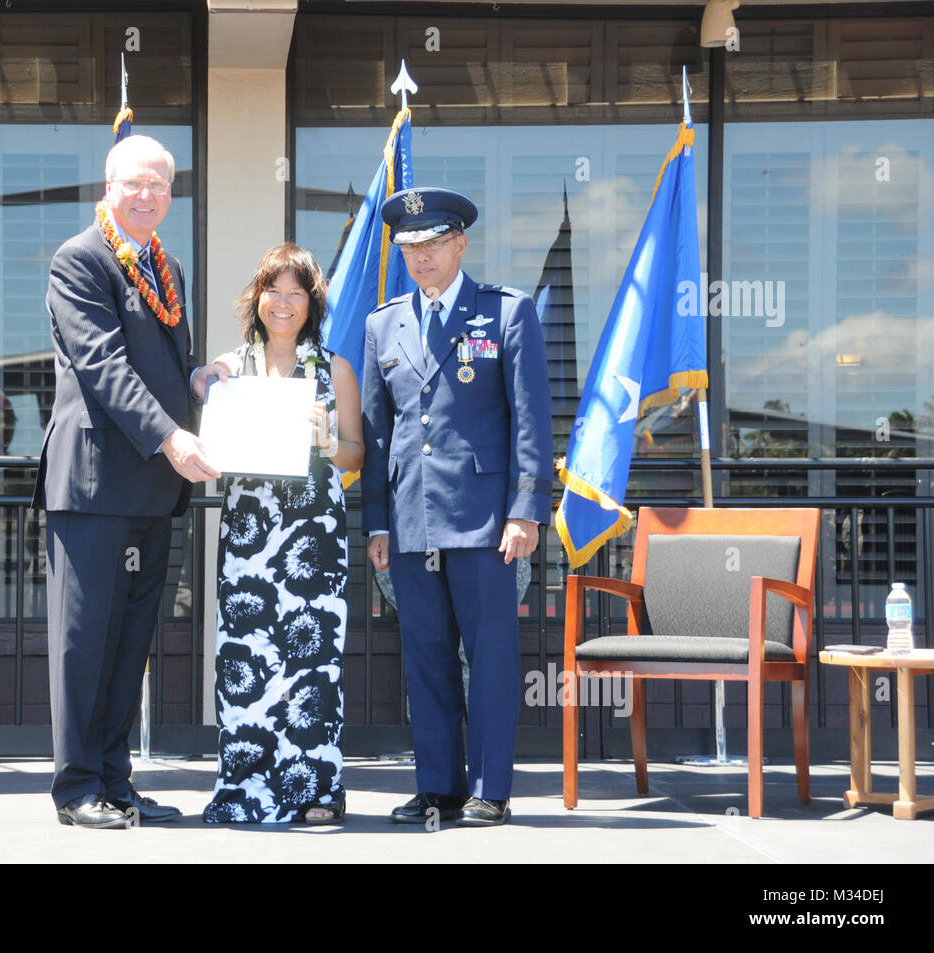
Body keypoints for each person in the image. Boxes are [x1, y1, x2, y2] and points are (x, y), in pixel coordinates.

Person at [34, 134, 226, 829]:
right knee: (85, 644)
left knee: (127, 645)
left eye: (160, 186)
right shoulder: (80, 260)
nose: (147, 195)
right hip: (93, 486)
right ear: (108, 187)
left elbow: (164, 361)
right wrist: (173, 435)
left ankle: (115, 779)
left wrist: (201, 380)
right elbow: (104, 367)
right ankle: (77, 785)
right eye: (134, 184)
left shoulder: (165, 264)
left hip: (151, 489)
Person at [361, 187, 553, 827]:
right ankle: (438, 786)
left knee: (491, 658)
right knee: (425, 658)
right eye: (410, 246)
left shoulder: (506, 312)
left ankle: (489, 788)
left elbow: (531, 422)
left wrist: (525, 510)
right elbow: (376, 432)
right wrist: (377, 522)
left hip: (485, 521)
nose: (421, 256)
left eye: (434, 243)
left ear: (461, 244)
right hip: (411, 522)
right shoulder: (383, 323)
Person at [201, 244, 363, 825]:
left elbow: (356, 454)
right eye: (275, 290)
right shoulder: (229, 368)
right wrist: (203, 388)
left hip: (313, 536)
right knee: (246, 657)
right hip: (249, 536)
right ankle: (244, 785)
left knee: (311, 663)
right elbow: (208, 441)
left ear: (311, 302)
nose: (285, 302)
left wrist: (328, 446)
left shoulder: (335, 369)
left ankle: (315, 789)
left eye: (297, 291)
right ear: (259, 298)